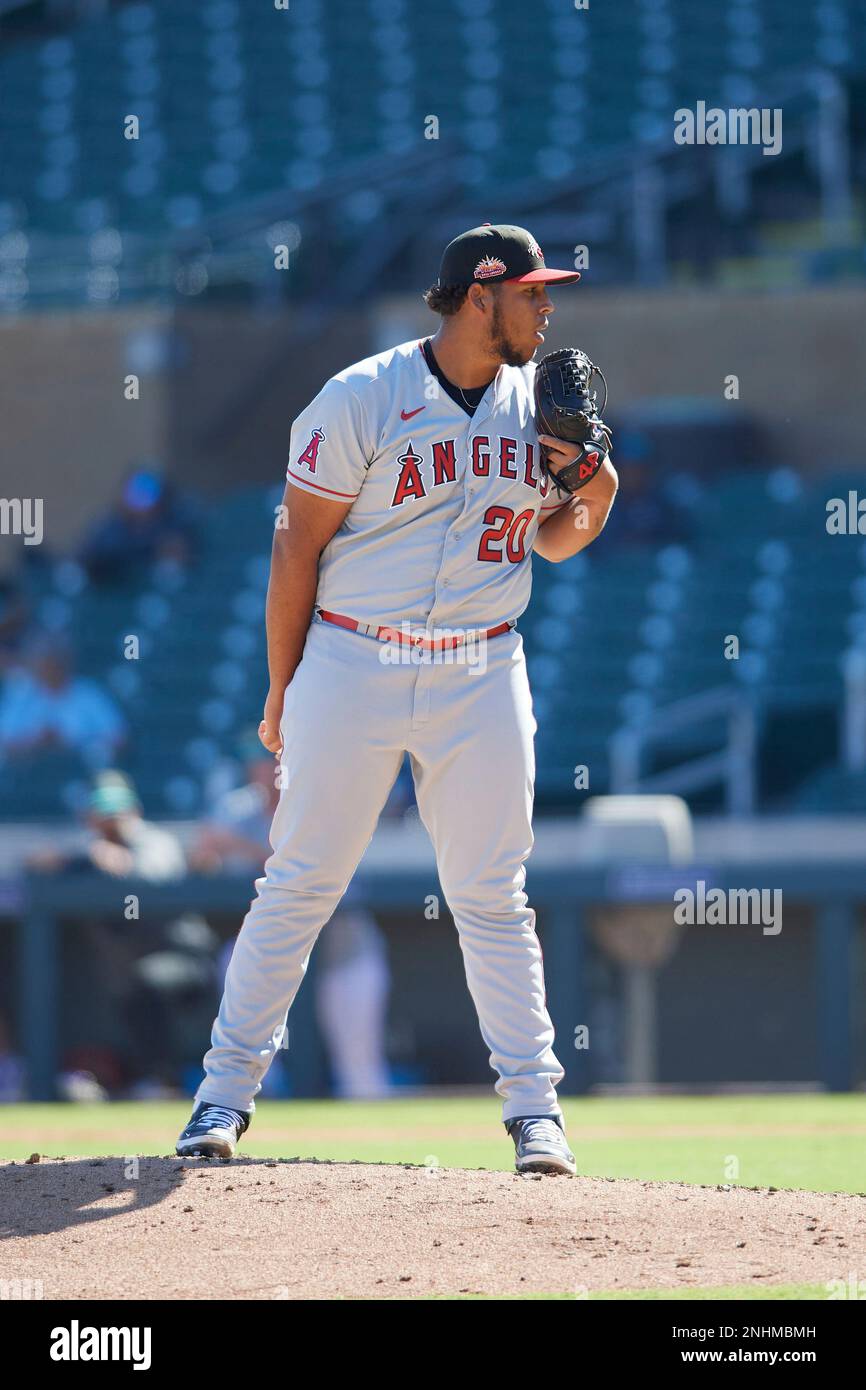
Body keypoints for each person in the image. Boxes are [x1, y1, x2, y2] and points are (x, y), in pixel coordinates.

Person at [177, 224, 618, 1174]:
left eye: (549, 293)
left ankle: (536, 1112)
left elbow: (564, 537)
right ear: (478, 297)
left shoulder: (531, 404)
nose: (549, 308)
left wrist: (587, 470)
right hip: (355, 658)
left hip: (483, 667)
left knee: (493, 896)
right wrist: (282, 688)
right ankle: (222, 1097)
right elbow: (296, 546)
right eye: (533, 293)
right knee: (298, 885)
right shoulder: (363, 396)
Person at [189, 729, 392, 1099]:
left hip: (343, 950)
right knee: (231, 959)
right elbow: (200, 857)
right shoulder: (238, 808)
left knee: (361, 1072)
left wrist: (239, 847)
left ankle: (378, 1150)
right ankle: (255, 1116)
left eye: (275, 759)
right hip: (276, 948)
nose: (267, 768)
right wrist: (206, 854)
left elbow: (312, 870)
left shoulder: (323, 802)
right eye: (260, 760)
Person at [0, 632, 125, 768]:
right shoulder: (23, 696)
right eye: (42, 662)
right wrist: (35, 742)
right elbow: (5, 742)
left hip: (81, 772)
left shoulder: (88, 693)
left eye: (53, 661)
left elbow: (119, 738)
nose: (48, 668)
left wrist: (70, 742)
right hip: (31, 776)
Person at [79, 466, 198, 584]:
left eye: (147, 493)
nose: (140, 501)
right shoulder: (110, 530)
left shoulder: (174, 527)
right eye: (135, 493)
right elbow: (88, 559)